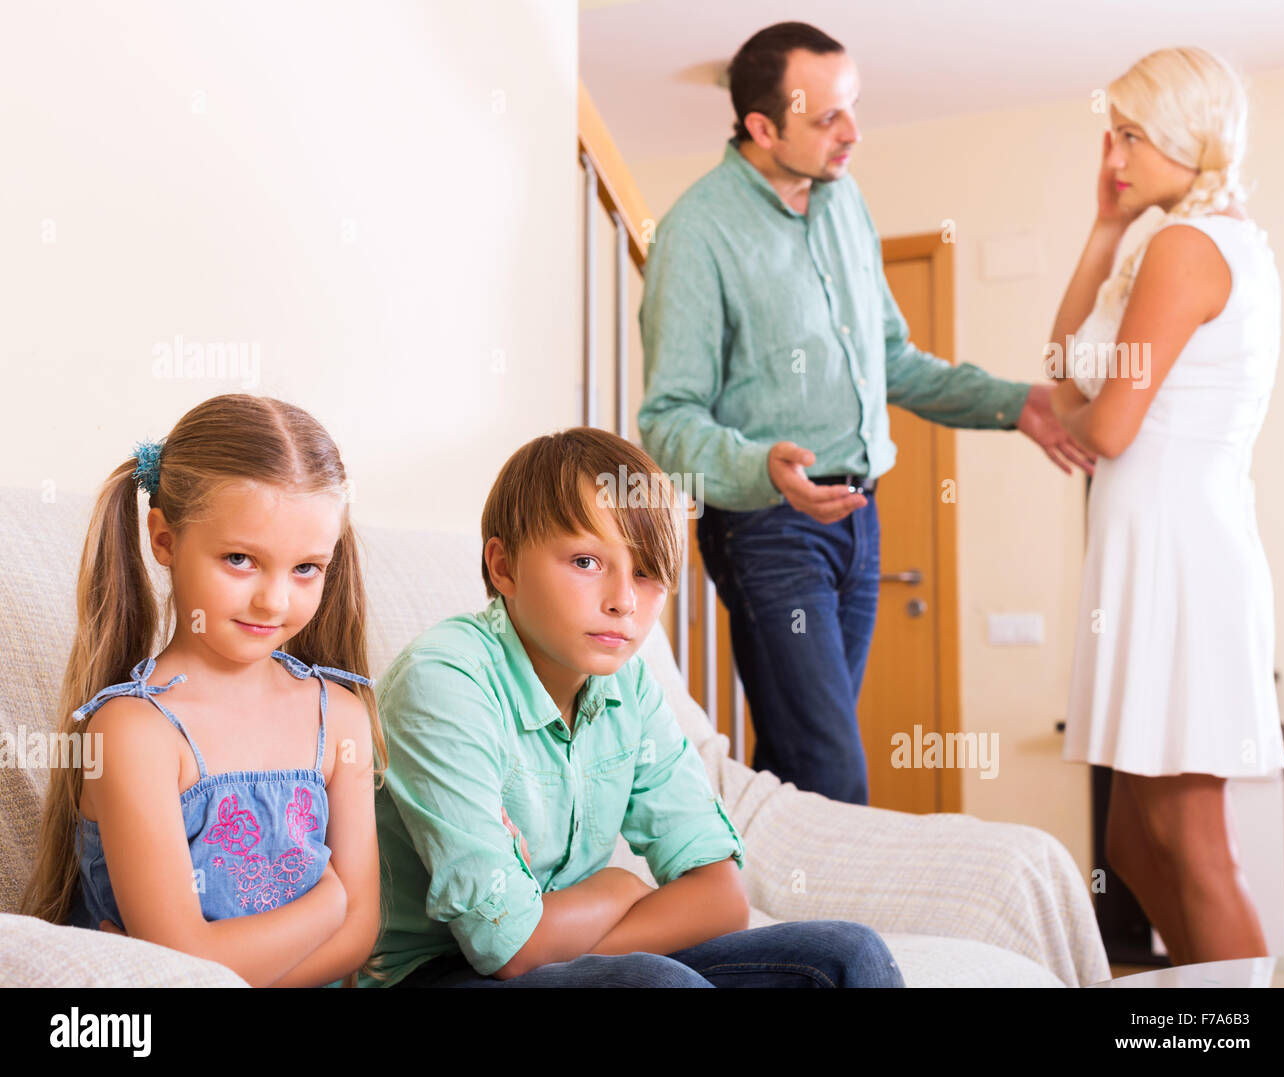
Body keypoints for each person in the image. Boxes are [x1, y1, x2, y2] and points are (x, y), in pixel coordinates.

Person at [638, 21, 1094, 806]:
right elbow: (667, 419)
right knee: (832, 771)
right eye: (827, 118)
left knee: (796, 758)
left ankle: (764, 924)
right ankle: (840, 934)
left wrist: (1016, 402)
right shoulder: (698, 232)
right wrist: (760, 467)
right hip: (769, 528)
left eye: (854, 108)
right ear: (761, 126)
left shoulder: (845, 204)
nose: (853, 133)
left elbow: (895, 359)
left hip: (859, 522)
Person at [360, 427, 904, 987]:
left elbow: (721, 899)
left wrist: (560, 936)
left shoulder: (629, 684)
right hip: (429, 973)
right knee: (656, 983)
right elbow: (506, 947)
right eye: (586, 562)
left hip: (564, 950)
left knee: (848, 953)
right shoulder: (444, 681)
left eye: (646, 573)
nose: (623, 600)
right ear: (503, 568)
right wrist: (616, 888)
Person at [20, 394, 386, 988]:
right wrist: (328, 904)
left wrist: (337, 917)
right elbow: (183, 965)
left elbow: (359, 935)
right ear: (164, 540)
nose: (274, 600)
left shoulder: (338, 718)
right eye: (240, 559)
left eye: (306, 568)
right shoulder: (135, 732)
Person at [1052, 47, 1284, 964]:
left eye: (1135, 136)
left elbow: (1103, 423)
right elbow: (1064, 357)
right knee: (1128, 843)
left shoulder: (1192, 247)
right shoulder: (1164, 240)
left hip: (1180, 554)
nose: (1113, 155)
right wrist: (1104, 227)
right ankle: (1207, 1001)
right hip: (1148, 549)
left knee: (1193, 843)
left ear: (1192, 138)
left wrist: (1072, 409)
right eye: (1110, 134)